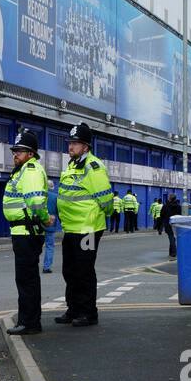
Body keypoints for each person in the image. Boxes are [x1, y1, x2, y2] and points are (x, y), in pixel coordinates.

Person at [56, 122, 113, 328]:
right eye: (70, 142)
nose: (71, 147)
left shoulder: (93, 166)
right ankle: (73, 310)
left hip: (87, 229)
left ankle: (88, 313)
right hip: (71, 228)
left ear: (86, 146)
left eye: (76, 143)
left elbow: (106, 200)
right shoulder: (72, 165)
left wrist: (95, 217)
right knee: (69, 270)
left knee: (84, 270)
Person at [4, 130, 51, 337]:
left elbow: (36, 202)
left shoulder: (30, 169)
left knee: (26, 279)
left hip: (27, 232)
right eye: (14, 150)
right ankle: (28, 320)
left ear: (30, 154)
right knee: (25, 278)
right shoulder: (22, 170)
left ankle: (29, 322)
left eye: (20, 151)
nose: (15, 154)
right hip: (22, 231)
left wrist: (44, 218)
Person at [42, 178, 60, 274]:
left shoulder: (39, 196)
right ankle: (46, 267)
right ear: (52, 187)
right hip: (51, 224)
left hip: (38, 223)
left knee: (35, 246)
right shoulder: (55, 197)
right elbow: (59, 212)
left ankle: (32, 265)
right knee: (49, 246)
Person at [160, 194, 183, 259]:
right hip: (176, 224)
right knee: (173, 237)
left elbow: (161, 215)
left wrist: (161, 226)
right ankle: (171, 252)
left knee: (171, 238)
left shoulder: (165, 206)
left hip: (168, 224)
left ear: (169, 199)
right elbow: (180, 215)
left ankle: (173, 252)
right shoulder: (178, 206)